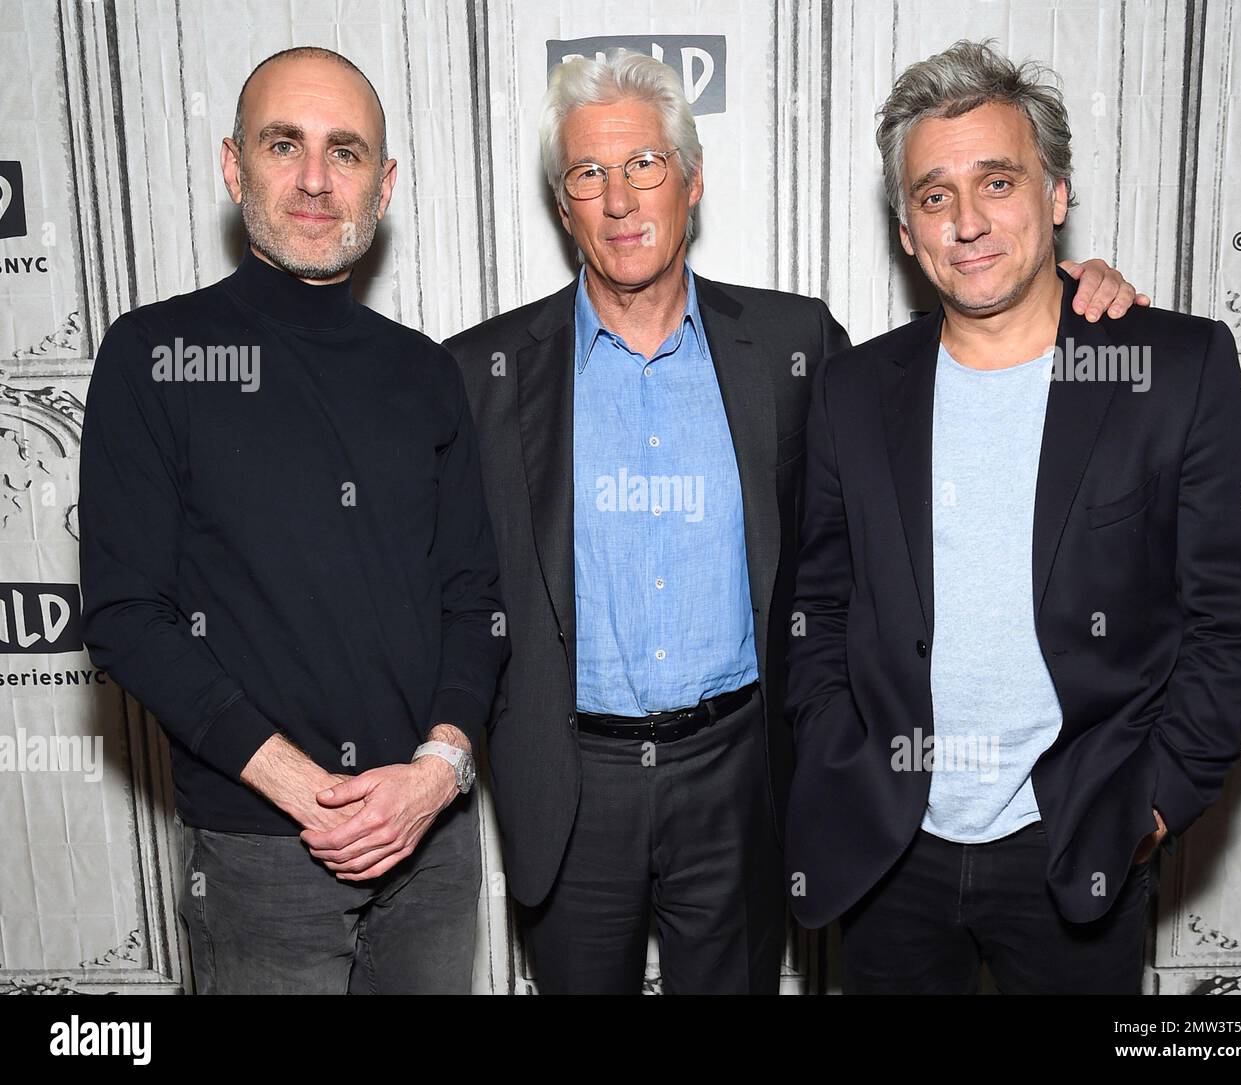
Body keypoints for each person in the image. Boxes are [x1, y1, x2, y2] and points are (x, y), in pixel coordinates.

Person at [445, 49, 1143, 994]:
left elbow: (909, 443)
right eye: (588, 174)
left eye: (645, 165)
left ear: (692, 182)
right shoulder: (482, 374)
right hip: (571, 783)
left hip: (740, 772)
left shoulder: (794, 346)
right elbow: (452, 590)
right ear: (562, 203)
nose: (619, 199)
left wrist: (1077, 295)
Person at [784, 39, 1241, 994]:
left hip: (1081, 837)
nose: (968, 221)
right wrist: (840, 750)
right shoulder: (855, 390)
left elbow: (1237, 611)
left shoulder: (1169, 368)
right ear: (905, 229)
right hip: (891, 847)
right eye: (935, 196)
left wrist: (1158, 800)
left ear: (1055, 196)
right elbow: (819, 604)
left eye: (998, 181)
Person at [78, 47, 506, 994]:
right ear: (234, 167)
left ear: (383, 185)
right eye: (285, 145)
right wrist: (297, 786)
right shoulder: (156, 354)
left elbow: (475, 599)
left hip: (431, 847)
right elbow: (124, 616)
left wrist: (435, 775)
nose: (315, 180)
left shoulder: (426, 371)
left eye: (345, 152)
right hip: (259, 858)